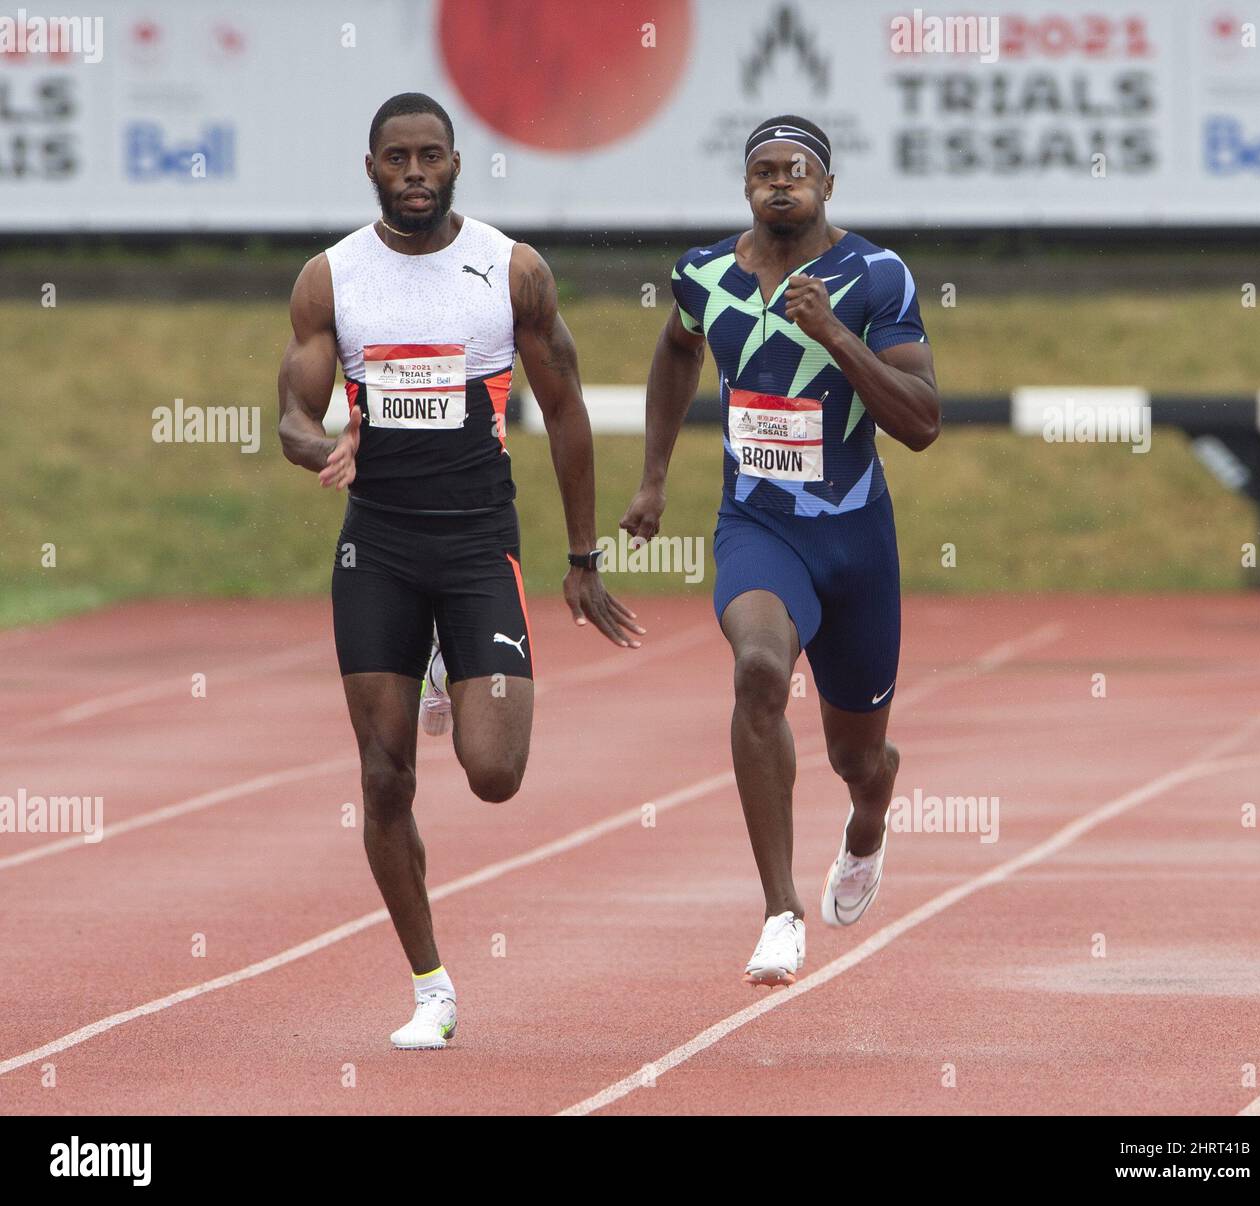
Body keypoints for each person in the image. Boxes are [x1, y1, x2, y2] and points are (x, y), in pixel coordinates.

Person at [278, 93, 642, 1046]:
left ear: (454, 165)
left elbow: (566, 410)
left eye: (429, 156)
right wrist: (318, 450)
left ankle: (454, 663)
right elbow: (291, 413)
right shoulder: (331, 279)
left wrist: (581, 557)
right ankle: (430, 985)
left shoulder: (510, 270)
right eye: (395, 158)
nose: (412, 173)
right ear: (370, 168)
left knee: (493, 773)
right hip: (379, 548)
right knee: (384, 773)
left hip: (480, 542)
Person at [621, 115, 940, 986]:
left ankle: (869, 818)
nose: (780, 183)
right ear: (747, 186)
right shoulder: (705, 275)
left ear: (828, 187)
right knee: (760, 669)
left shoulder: (875, 276)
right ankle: (779, 911)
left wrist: (835, 334)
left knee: (855, 757)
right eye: (764, 170)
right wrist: (653, 478)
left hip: (855, 540)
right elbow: (675, 350)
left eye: (798, 171)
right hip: (757, 528)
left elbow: (921, 424)